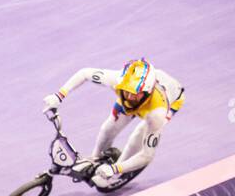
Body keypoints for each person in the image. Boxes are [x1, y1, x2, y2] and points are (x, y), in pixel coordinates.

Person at [43, 58, 185, 186]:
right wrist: (59, 95)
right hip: (147, 96)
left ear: (147, 93)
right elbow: (84, 73)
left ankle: (115, 173)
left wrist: (114, 169)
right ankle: (96, 159)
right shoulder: (119, 81)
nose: (129, 97)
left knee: (137, 137)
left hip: (169, 102)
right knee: (107, 128)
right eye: (126, 91)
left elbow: (147, 155)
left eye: (135, 94)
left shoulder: (157, 113)